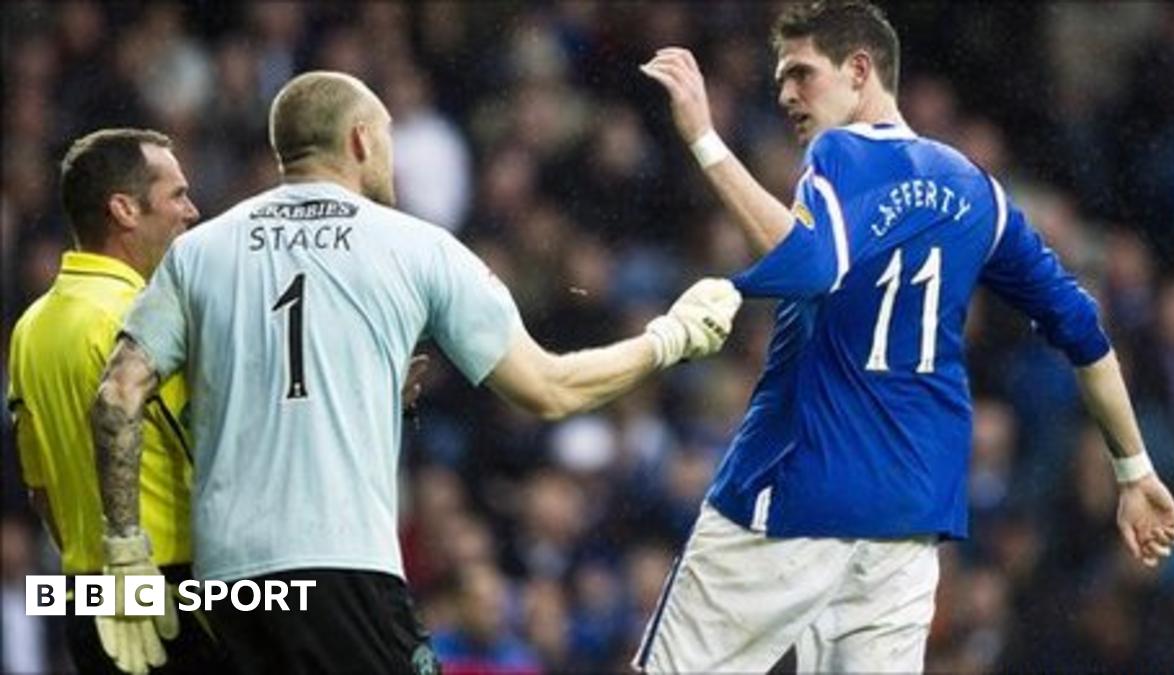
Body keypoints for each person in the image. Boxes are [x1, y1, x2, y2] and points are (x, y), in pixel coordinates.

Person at [89, 70, 741, 675]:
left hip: (228, 582)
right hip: (346, 570)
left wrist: (124, 547)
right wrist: (667, 339)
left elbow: (117, 394)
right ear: (360, 140)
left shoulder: (201, 251)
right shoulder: (415, 246)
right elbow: (548, 387)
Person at [636, 1, 1174, 672]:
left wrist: (703, 140)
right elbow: (1083, 329)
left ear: (860, 69)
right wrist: (1134, 470)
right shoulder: (978, 191)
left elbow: (812, 264)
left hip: (794, 491)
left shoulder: (837, 152)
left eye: (802, 74)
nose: (784, 93)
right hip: (906, 517)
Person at [7, 128, 221, 674]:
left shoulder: (30, 327)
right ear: (124, 209)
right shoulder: (144, 319)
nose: (191, 212)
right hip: (172, 595)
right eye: (176, 195)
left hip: (86, 598)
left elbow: (40, 491)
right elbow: (214, 460)